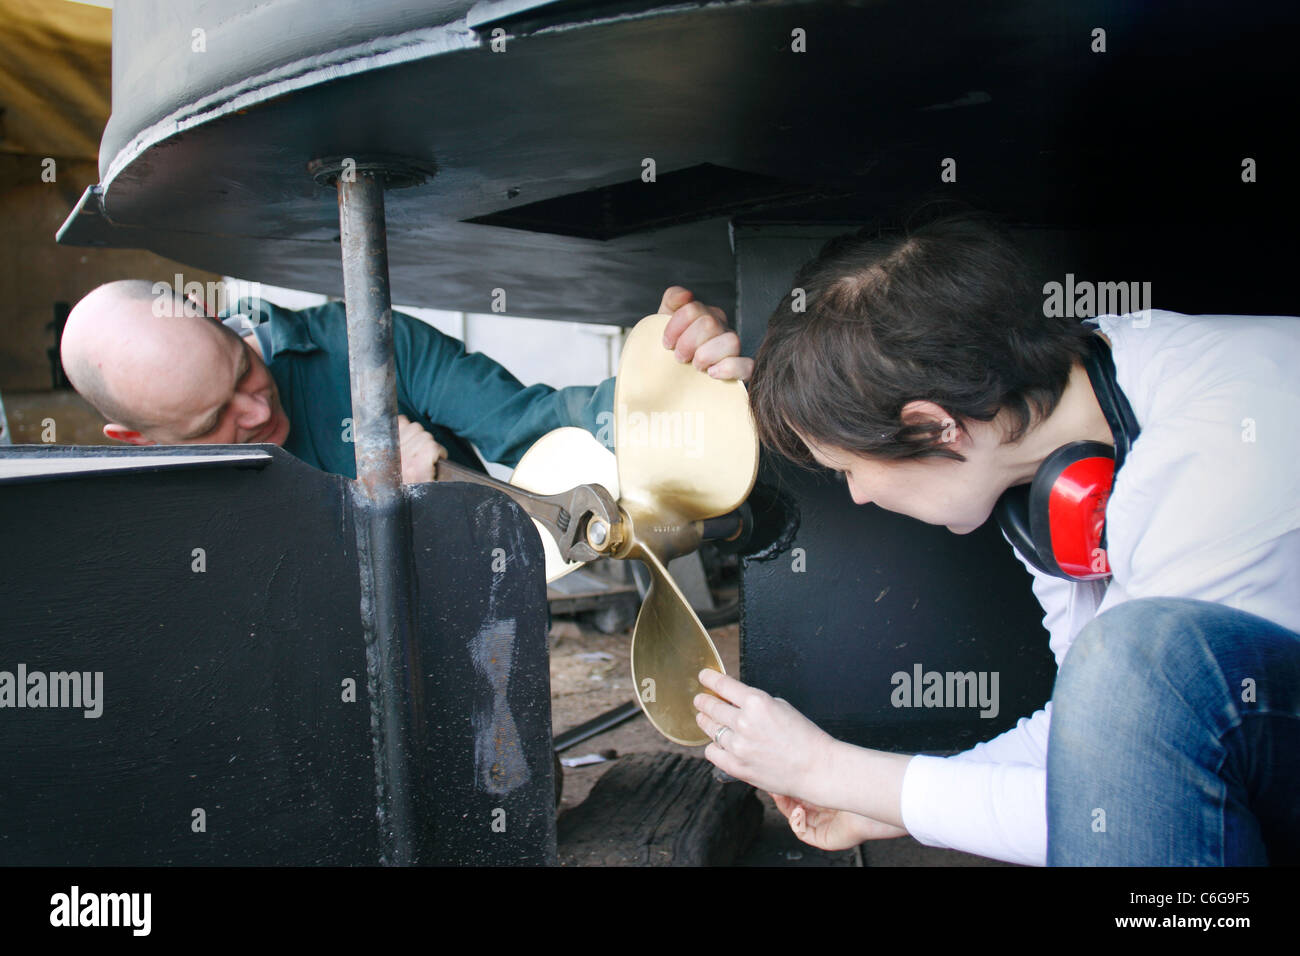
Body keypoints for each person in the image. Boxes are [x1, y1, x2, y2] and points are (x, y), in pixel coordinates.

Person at [669, 212, 1300, 865]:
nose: (857, 495)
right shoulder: (1064, 446)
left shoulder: (1226, 446)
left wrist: (828, 769)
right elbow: (1092, 747)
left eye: (849, 469)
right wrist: (877, 805)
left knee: (1133, 657)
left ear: (936, 428)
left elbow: (1115, 806)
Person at [59, 280, 748, 481]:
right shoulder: (144, 510)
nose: (255, 408)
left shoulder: (366, 345)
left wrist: (671, 388)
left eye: (244, 369)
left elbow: (530, 423)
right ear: (138, 439)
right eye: (211, 421)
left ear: (212, 313)